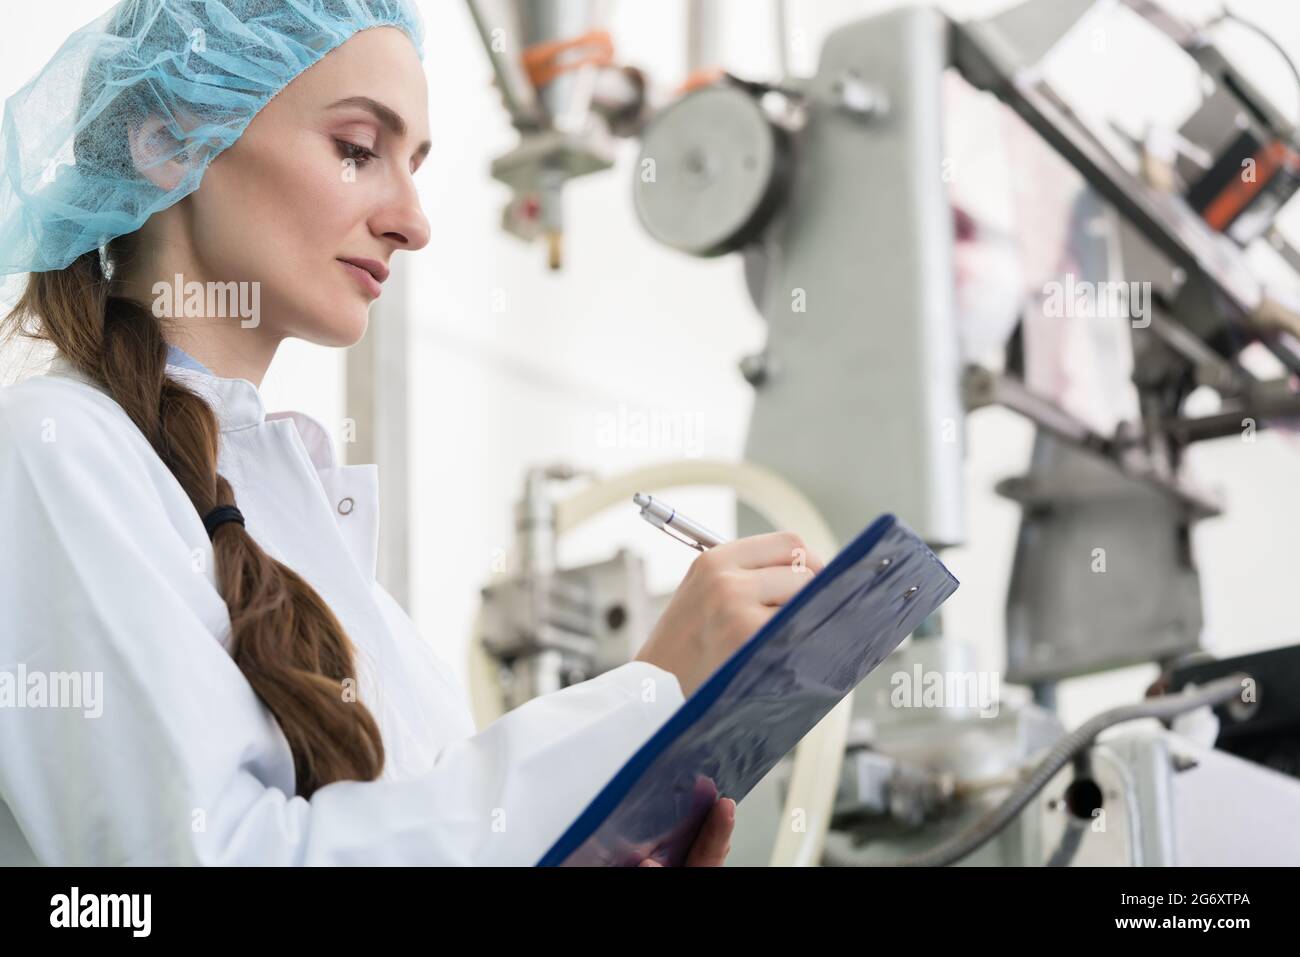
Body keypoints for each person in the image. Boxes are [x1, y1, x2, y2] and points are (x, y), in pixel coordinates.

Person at [0, 0, 824, 866]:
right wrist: (646, 703)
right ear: (167, 141)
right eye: (358, 150)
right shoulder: (56, 449)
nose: (414, 222)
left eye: (415, 164)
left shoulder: (298, 521)